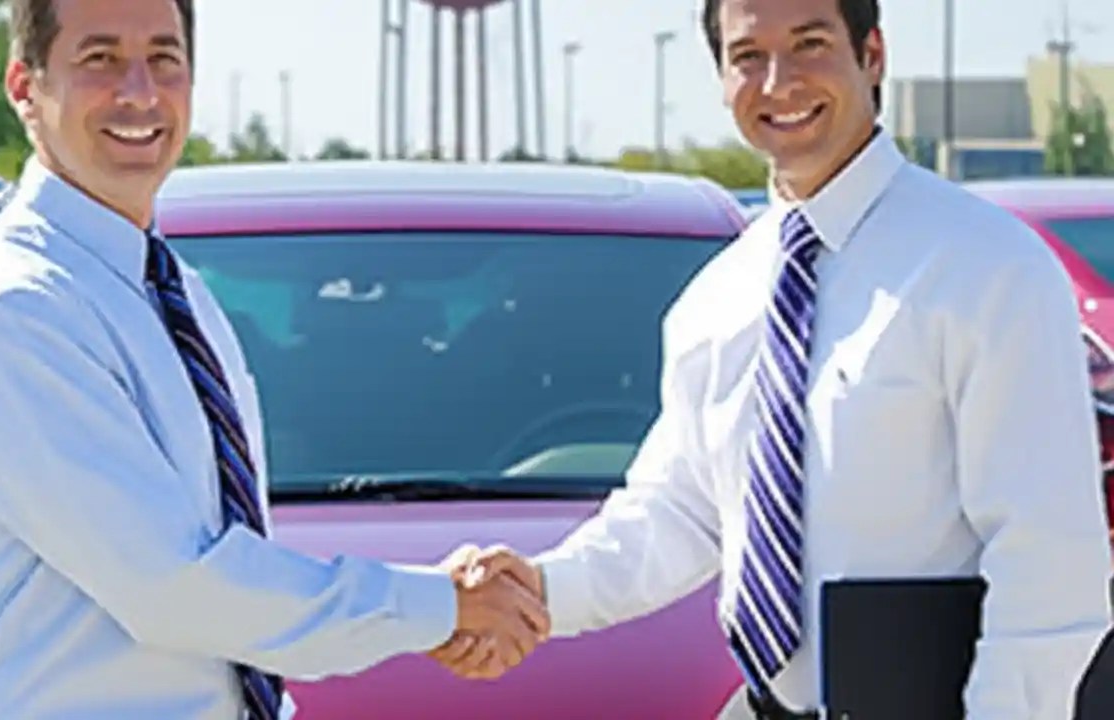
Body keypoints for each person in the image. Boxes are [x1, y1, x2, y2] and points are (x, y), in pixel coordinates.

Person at [434, 0, 1114, 717]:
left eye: (810, 44)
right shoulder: (717, 300)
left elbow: (1048, 557)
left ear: (873, 55)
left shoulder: (986, 268)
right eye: (747, 56)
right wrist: (538, 589)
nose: (778, 81)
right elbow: (679, 513)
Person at [0, 1, 546, 718]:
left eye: (165, 59)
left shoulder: (168, 289)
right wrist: (438, 607)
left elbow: (218, 571)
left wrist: (444, 608)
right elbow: (173, 583)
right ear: (24, 86)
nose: (141, 92)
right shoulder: (10, 310)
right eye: (100, 59)